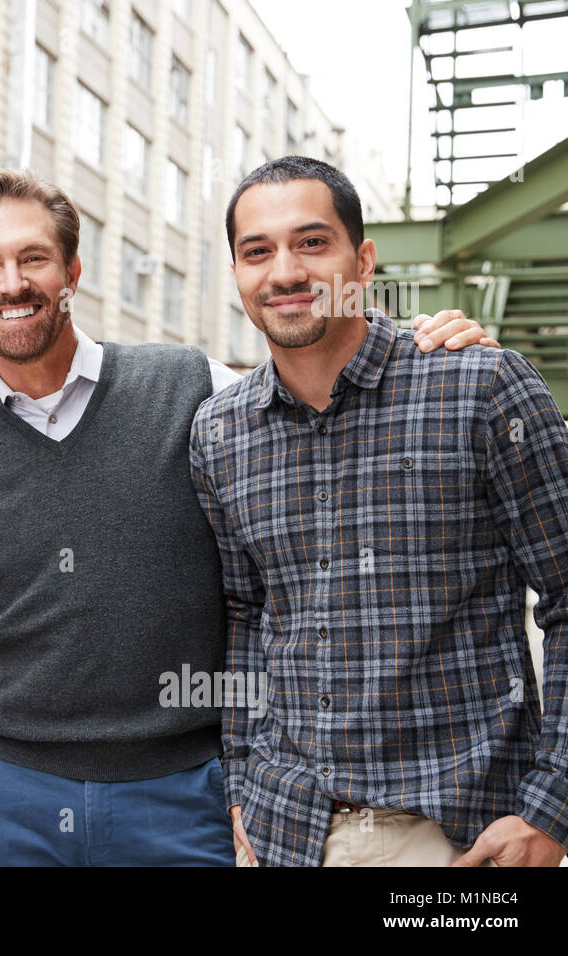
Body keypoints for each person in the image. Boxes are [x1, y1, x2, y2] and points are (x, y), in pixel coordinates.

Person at [0, 168, 494, 866]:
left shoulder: (193, 388)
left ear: (71, 272)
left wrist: (424, 352)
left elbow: (315, 405)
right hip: (7, 796)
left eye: (33, 258)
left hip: (188, 795)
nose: (13, 282)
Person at [190, 156, 568, 867]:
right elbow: (244, 616)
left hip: (459, 837)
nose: (285, 272)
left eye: (312, 242)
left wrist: (552, 808)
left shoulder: (481, 387)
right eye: (257, 251)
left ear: (362, 261)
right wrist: (241, 780)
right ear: (238, 274)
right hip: (287, 833)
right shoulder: (218, 433)